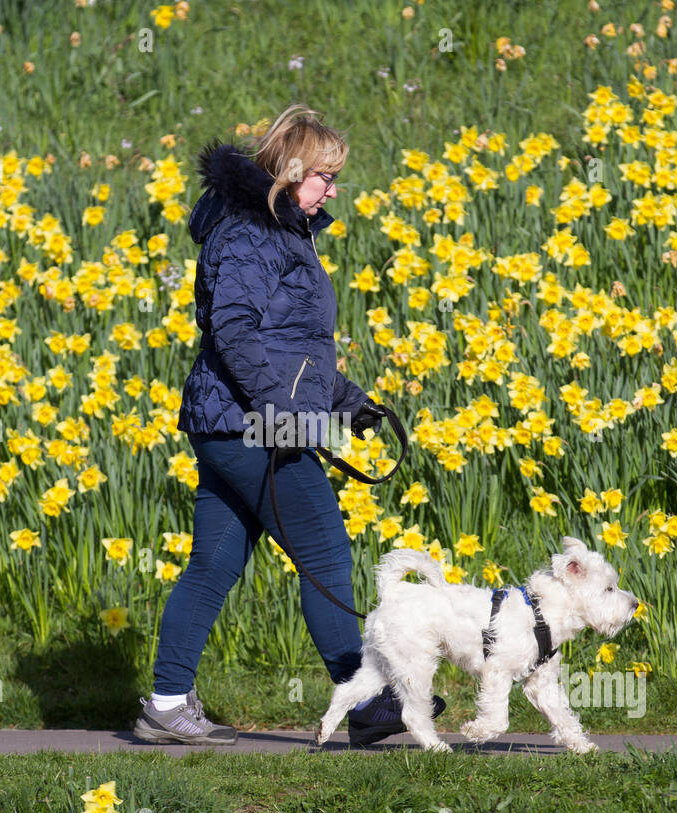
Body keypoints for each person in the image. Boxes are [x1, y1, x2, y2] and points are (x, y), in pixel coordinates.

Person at [133, 105, 444, 746]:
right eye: (325, 176)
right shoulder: (251, 235)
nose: (332, 190)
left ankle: (166, 704)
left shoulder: (280, 232)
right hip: (254, 428)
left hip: (232, 423)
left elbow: (291, 347)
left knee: (213, 564)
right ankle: (365, 704)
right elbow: (236, 333)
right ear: (293, 170)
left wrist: (348, 402)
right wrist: (281, 414)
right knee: (325, 555)